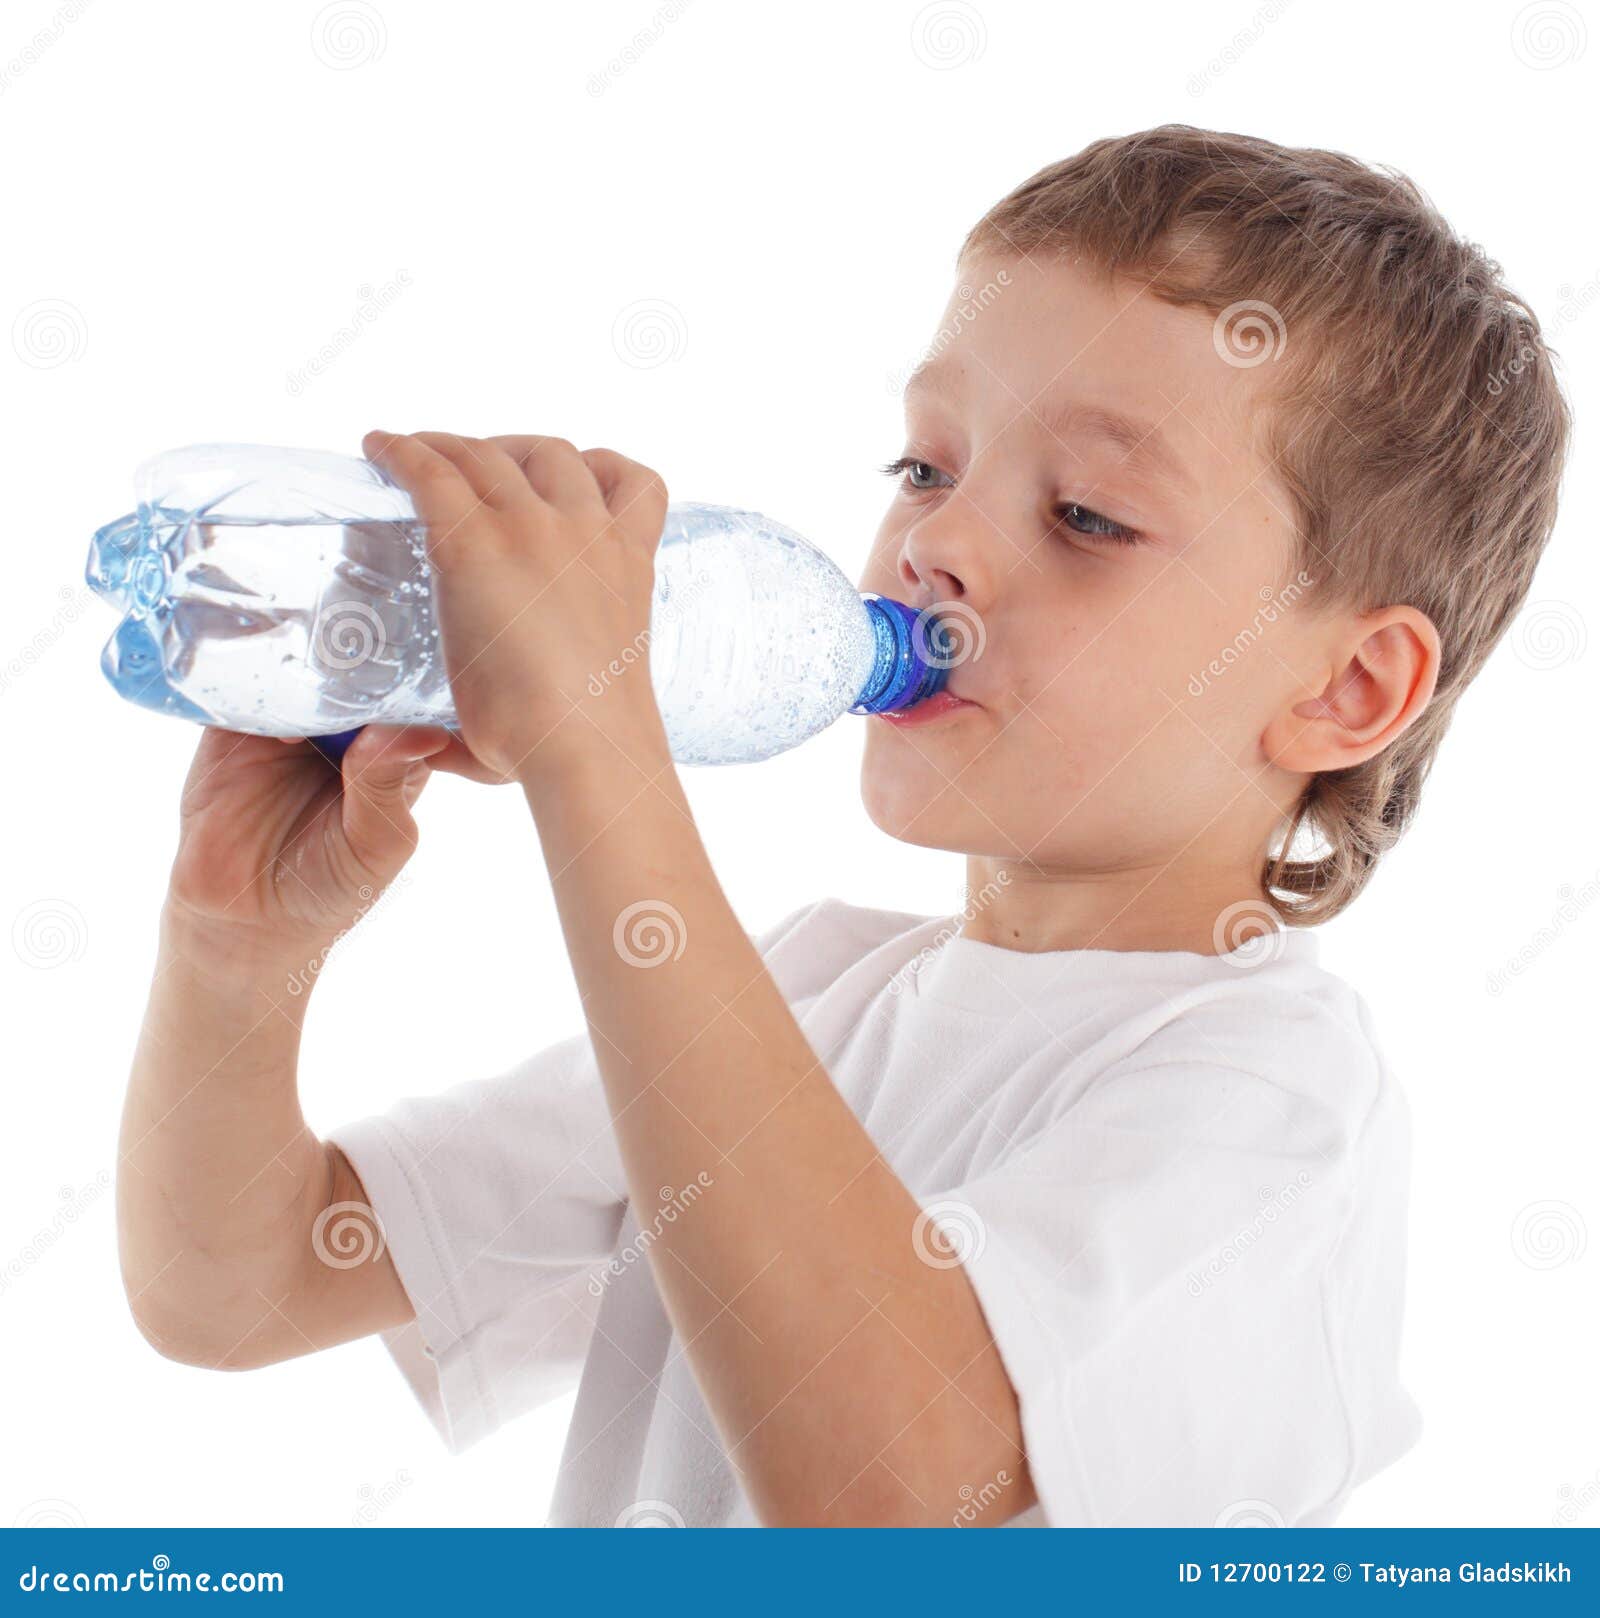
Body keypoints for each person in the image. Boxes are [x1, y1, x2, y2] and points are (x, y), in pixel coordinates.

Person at [116, 125, 1571, 1528]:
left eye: (1086, 514)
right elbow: (239, 1285)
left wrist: (599, 752)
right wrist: (236, 943)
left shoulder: (1274, 1101)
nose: (935, 543)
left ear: (1344, 687)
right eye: (927, 467)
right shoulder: (812, 989)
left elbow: (889, 1489)